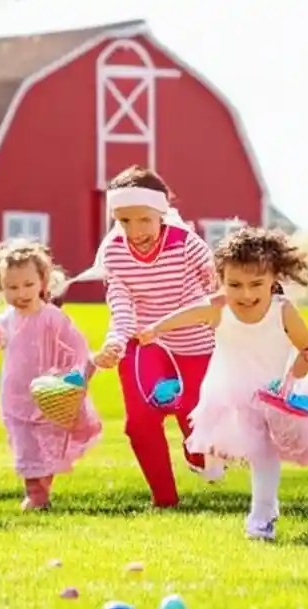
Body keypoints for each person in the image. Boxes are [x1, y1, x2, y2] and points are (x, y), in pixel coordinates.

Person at [137, 226, 308, 541]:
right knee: (212, 463)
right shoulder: (218, 307)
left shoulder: (283, 311)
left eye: (255, 284)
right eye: (234, 285)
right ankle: (210, 464)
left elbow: (307, 351)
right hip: (226, 391)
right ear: (222, 281)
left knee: (263, 453)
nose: (245, 294)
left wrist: (295, 378)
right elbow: (189, 314)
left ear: (274, 278)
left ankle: (262, 515)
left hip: (269, 394)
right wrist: (156, 328)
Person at [88, 165, 222, 508]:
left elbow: (216, 289)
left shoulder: (186, 245)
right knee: (140, 423)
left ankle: (197, 451)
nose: (135, 231)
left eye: (143, 220)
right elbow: (119, 303)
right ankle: (164, 498)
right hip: (144, 344)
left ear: (161, 212)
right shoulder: (114, 253)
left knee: (193, 413)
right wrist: (115, 342)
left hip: (194, 344)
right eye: (124, 221)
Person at [0, 241, 103, 511]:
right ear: (0, 288)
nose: (22, 293)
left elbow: (77, 347)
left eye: (29, 285)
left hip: (50, 395)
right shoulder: (3, 322)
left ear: (43, 281)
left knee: (48, 447)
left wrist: (79, 373)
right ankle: (35, 495)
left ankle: (42, 493)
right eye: (12, 287)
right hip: (17, 398)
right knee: (27, 447)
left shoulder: (53, 318)